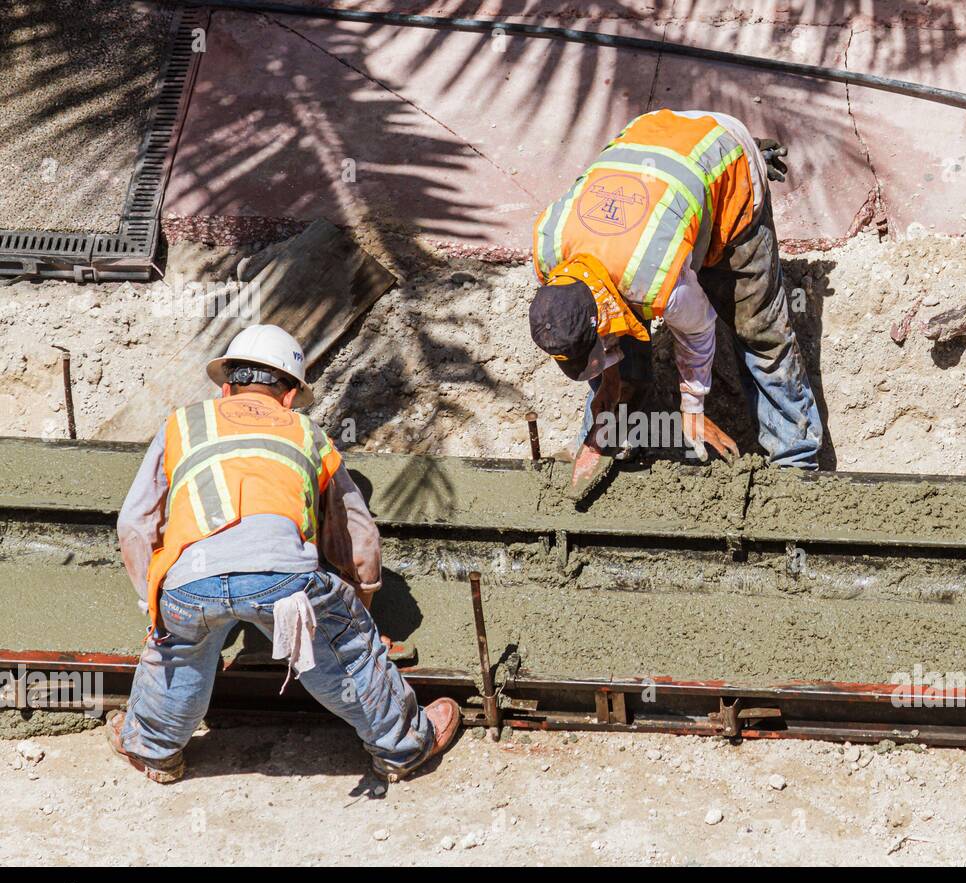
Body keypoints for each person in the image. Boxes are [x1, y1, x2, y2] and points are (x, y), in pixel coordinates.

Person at [112, 324, 459, 783]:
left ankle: (153, 752)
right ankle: (403, 747)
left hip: (187, 580)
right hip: (283, 580)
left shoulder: (181, 425)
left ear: (225, 386)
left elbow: (135, 523)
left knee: (175, 652)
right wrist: (361, 599)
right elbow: (356, 532)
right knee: (348, 653)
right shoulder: (307, 435)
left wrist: (152, 597)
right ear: (290, 395)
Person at [529, 108, 823, 487]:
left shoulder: (653, 280)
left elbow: (699, 329)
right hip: (652, 144)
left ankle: (795, 463)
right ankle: (614, 438)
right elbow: (604, 330)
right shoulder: (550, 253)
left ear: (601, 316)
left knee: (759, 331)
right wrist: (610, 381)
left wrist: (693, 407)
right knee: (622, 354)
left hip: (725, 168)